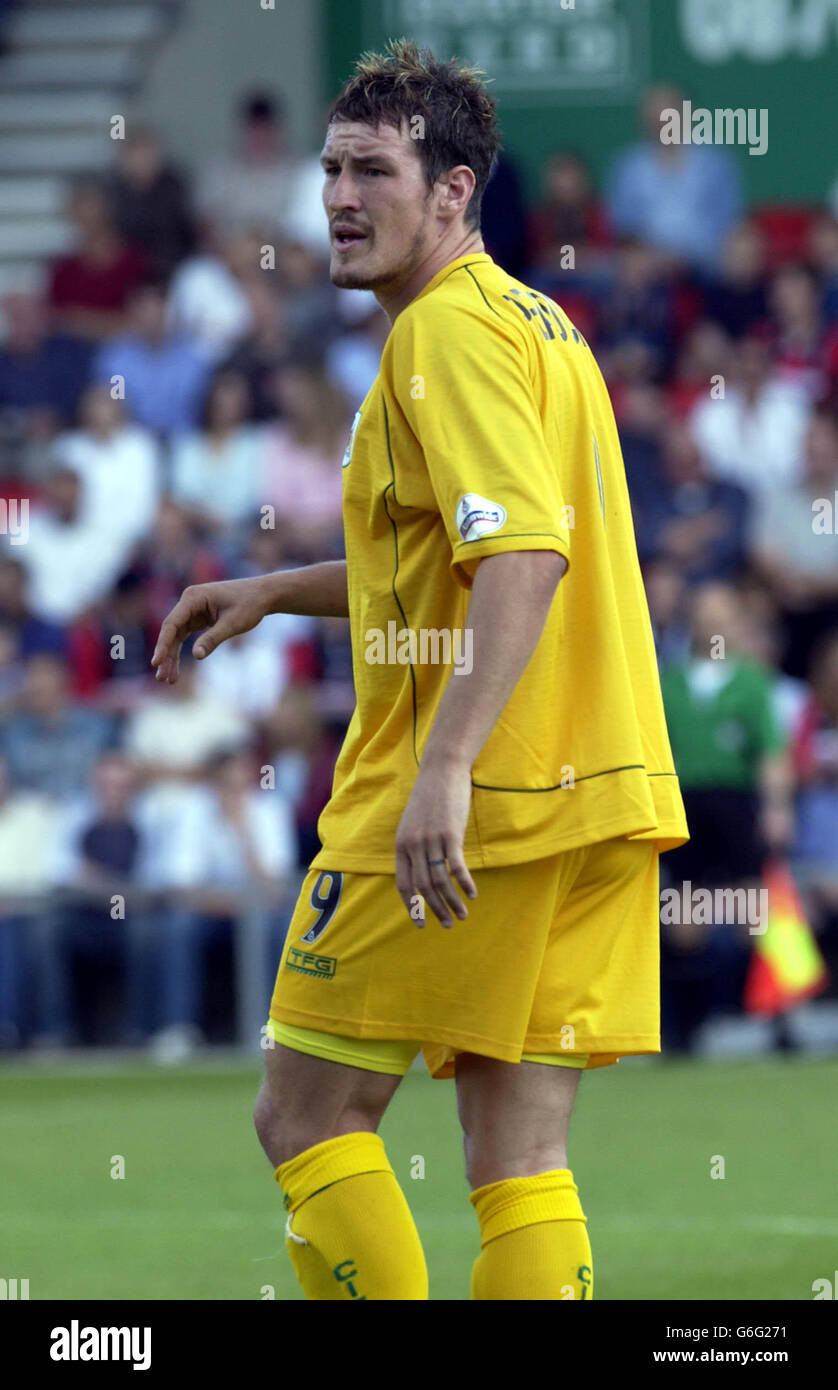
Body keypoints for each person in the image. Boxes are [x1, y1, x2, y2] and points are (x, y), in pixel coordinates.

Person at [151, 39, 688, 1303]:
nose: (340, 196)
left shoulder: (439, 336)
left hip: (465, 799)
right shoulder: (537, 324)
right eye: (331, 169)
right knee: (519, 1157)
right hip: (591, 787)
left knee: (306, 1116)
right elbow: (463, 555)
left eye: (374, 171)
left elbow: (523, 559)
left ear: (453, 191)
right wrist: (279, 588)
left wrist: (443, 765)